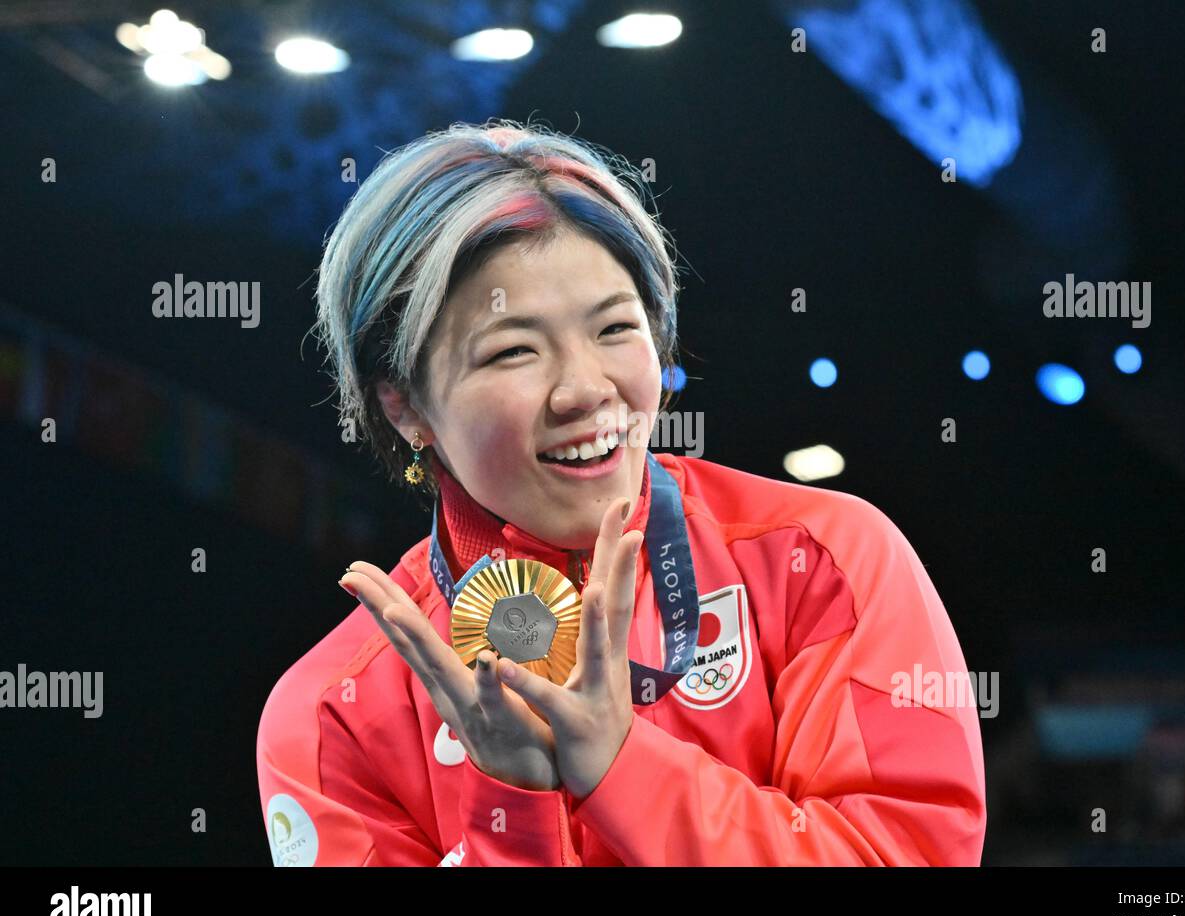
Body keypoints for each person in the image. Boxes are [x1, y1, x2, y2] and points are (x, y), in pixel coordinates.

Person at [255, 119, 987, 866]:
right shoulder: (330, 717)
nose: (586, 389)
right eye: (514, 350)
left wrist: (624, 766)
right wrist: (512, 806)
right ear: (402, 405)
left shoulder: (822, 560)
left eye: (613, 328)